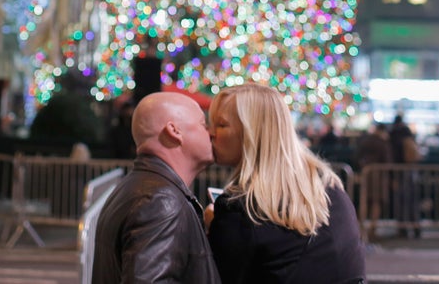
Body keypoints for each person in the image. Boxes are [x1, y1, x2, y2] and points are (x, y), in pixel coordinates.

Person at [207, 83, 366, 283]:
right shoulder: (329, 187)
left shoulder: (241, 208)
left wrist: (213, 229)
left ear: (252, 133)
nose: (211, 133)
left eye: (221, 125)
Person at [91, 92, 219, 284]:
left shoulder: (137, 188)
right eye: (203, 124)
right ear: (174, 131)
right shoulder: (161, 200)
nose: (211, 132)